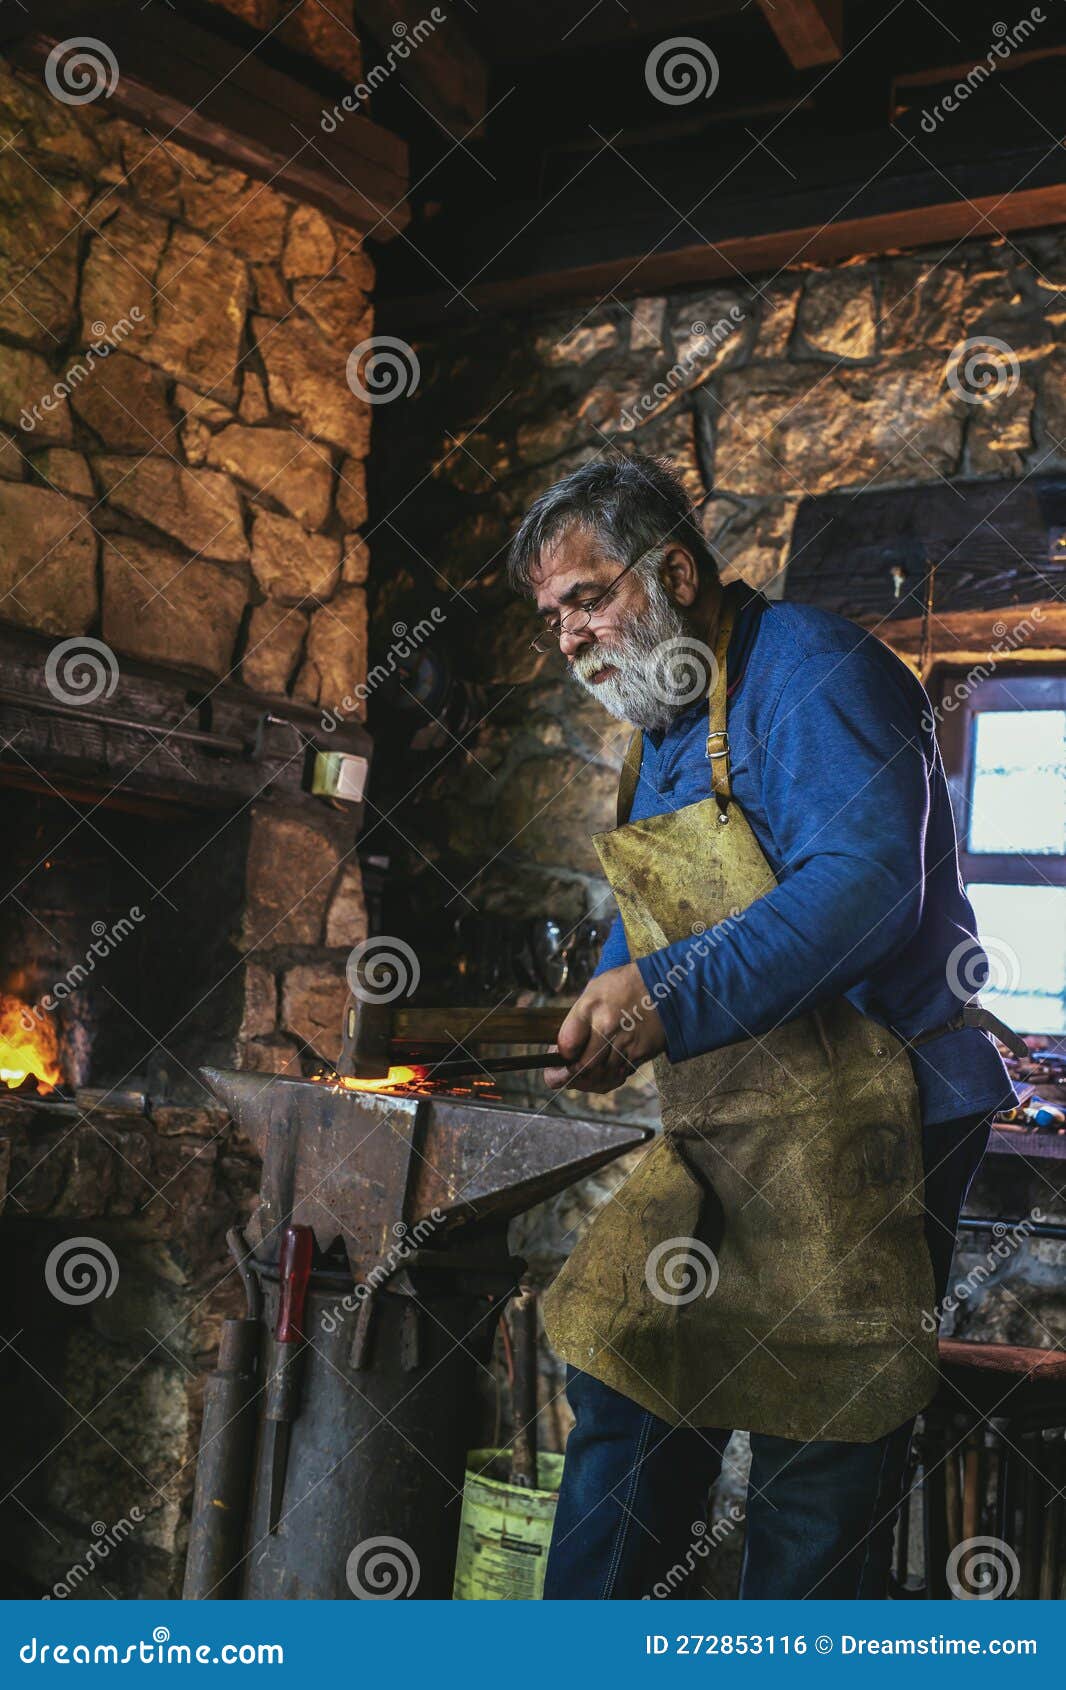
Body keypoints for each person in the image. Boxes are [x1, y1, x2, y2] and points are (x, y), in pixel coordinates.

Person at [506, 453, 1019, 1600]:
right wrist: (608, 995)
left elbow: (867, 887)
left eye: (586, 597)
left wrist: (667, 997)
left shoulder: (812, 671)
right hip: (735, 1125)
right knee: (632, 1384)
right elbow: (657, 914)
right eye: (552, 618)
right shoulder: (663, 726)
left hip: (874, 1115)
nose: (570, 636)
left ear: (674, 572)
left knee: (815, 1454)